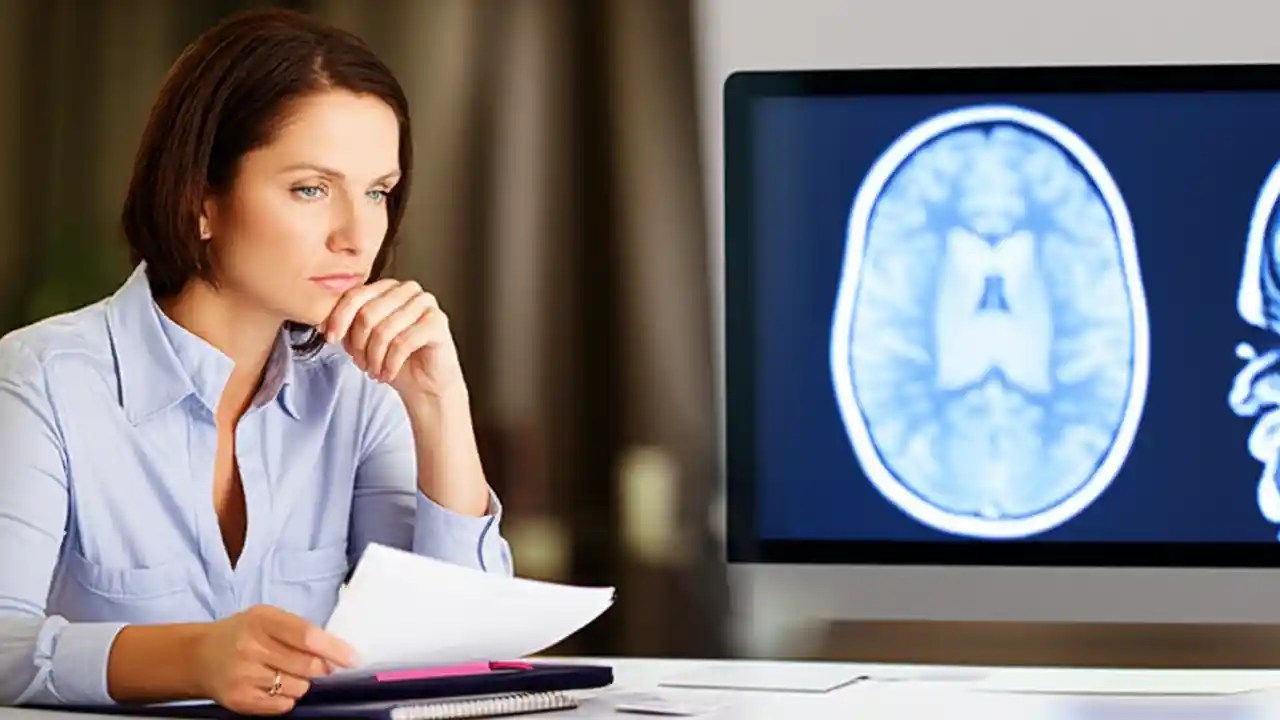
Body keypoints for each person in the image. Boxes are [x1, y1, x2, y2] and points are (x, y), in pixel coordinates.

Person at [0, 8, 512, 715]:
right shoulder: (42, 380)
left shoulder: (360, 389)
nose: (357, 235)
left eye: (377, 192)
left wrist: (439, 405)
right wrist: (193, 658)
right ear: (199, 199)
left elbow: (462, 653)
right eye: (311, 189)